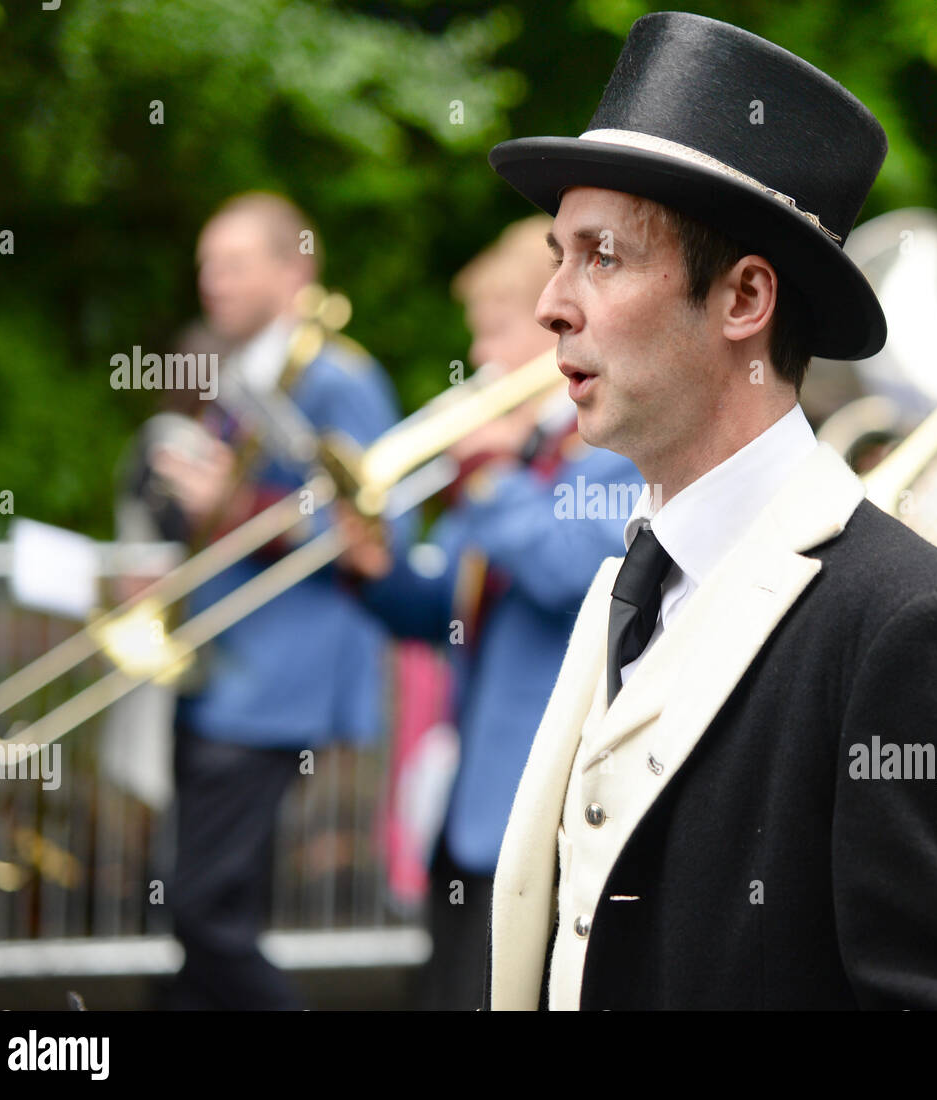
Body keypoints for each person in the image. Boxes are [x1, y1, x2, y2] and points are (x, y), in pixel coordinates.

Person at [480, 12, 937, 1010]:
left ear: (745, 296)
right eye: (554, 255)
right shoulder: (624, 583)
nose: (551, 305)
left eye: (600, 257)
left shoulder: (912, 627)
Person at [341, 216, 644, 1009]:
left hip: (546, 812)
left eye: (495, 330)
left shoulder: (608, 452)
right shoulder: (515, 462)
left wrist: (490, 476)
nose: (479, 359)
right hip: (473, 803)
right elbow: (452, 607)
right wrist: (376, 571)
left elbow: (571, 573)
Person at [156, 192, 407, 1010]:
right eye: (204, 264)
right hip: (218, 668)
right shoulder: (245, 375)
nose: (210, 281)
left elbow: (377, 529)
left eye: (231, 263)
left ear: (294, 266)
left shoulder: (339, 375)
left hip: (273, 684)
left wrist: (233, 510)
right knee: (204, 925)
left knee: (205, 913)